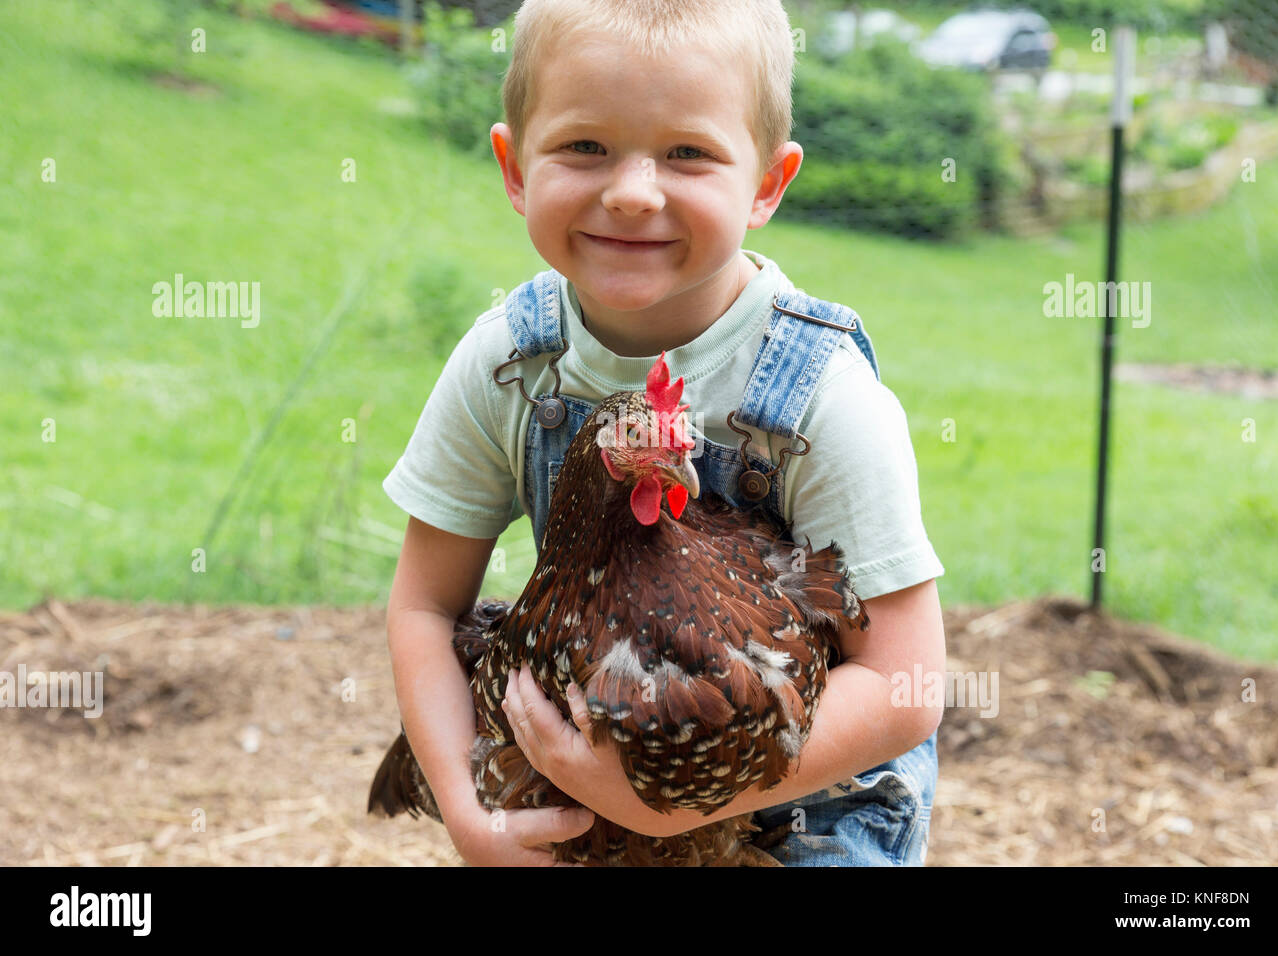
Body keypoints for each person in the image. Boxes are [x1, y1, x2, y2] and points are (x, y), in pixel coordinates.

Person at [381, 0, 946, 866]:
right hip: (586, 774)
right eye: (584, 147)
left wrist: (667, 808)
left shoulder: (823, 397)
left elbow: (904, 687)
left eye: (687, 153)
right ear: (515, 167)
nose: (633, 192)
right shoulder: (510, 361)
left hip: (802, 801)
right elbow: (424, 606)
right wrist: (469, 811)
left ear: (766, 183)